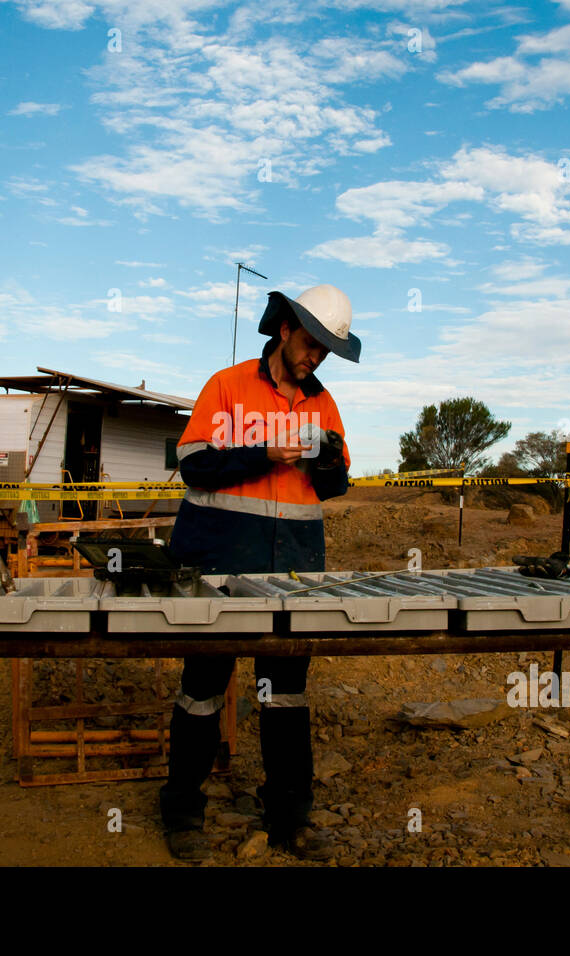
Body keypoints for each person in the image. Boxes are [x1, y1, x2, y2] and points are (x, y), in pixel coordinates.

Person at [159, 283, 360, 861]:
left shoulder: (321, 402)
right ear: (286, 329)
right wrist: (263, 452)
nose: (315, 358)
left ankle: (289, 820)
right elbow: (194, 466)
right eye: (311, 345)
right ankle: (183, 815)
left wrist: (324, 455)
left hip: (292, 574)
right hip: (216, 567)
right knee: (202, 692)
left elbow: (334, 484)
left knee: (286, 698)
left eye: (325, 352)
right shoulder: (227, 386)